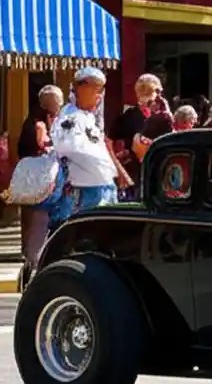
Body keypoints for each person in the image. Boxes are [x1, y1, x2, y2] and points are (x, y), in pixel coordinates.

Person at [52, 67, 132, 220]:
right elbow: (71, 149)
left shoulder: (89, 117)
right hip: (84, 192)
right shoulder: (70, 116)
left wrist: (115, 171)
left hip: (101, 188)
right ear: (81, 88)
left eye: (101, 90)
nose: (99, 96)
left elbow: (100, 146)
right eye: (96, 90)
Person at [15, 85, 64, 262]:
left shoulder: (30, 120)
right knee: (38, 217)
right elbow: (43, 143)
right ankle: (33, 258)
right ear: (49, 103)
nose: (60, 105)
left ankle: (27, 253)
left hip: (27, 175)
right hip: (40, 177)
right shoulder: (40, 123)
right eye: (58, 101)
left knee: (28, 214)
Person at [110, 74, 166, 199]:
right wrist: (121, 171)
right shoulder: (127, 117)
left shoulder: (161, 117)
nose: (160, 97)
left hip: (157, 174)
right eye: (158, 92)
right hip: (135, 177)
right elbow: (110, 145)